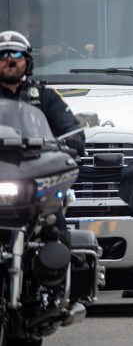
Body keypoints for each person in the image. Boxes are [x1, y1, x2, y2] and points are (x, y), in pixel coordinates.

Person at [0, 31, 85, 235]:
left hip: (34, 174)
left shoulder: (46, 97)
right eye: (3, 56)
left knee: (55, 222)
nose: (10, 61)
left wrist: (69, 141)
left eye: (17, 55)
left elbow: (73, 131)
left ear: (28, 62)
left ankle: (64, 261)